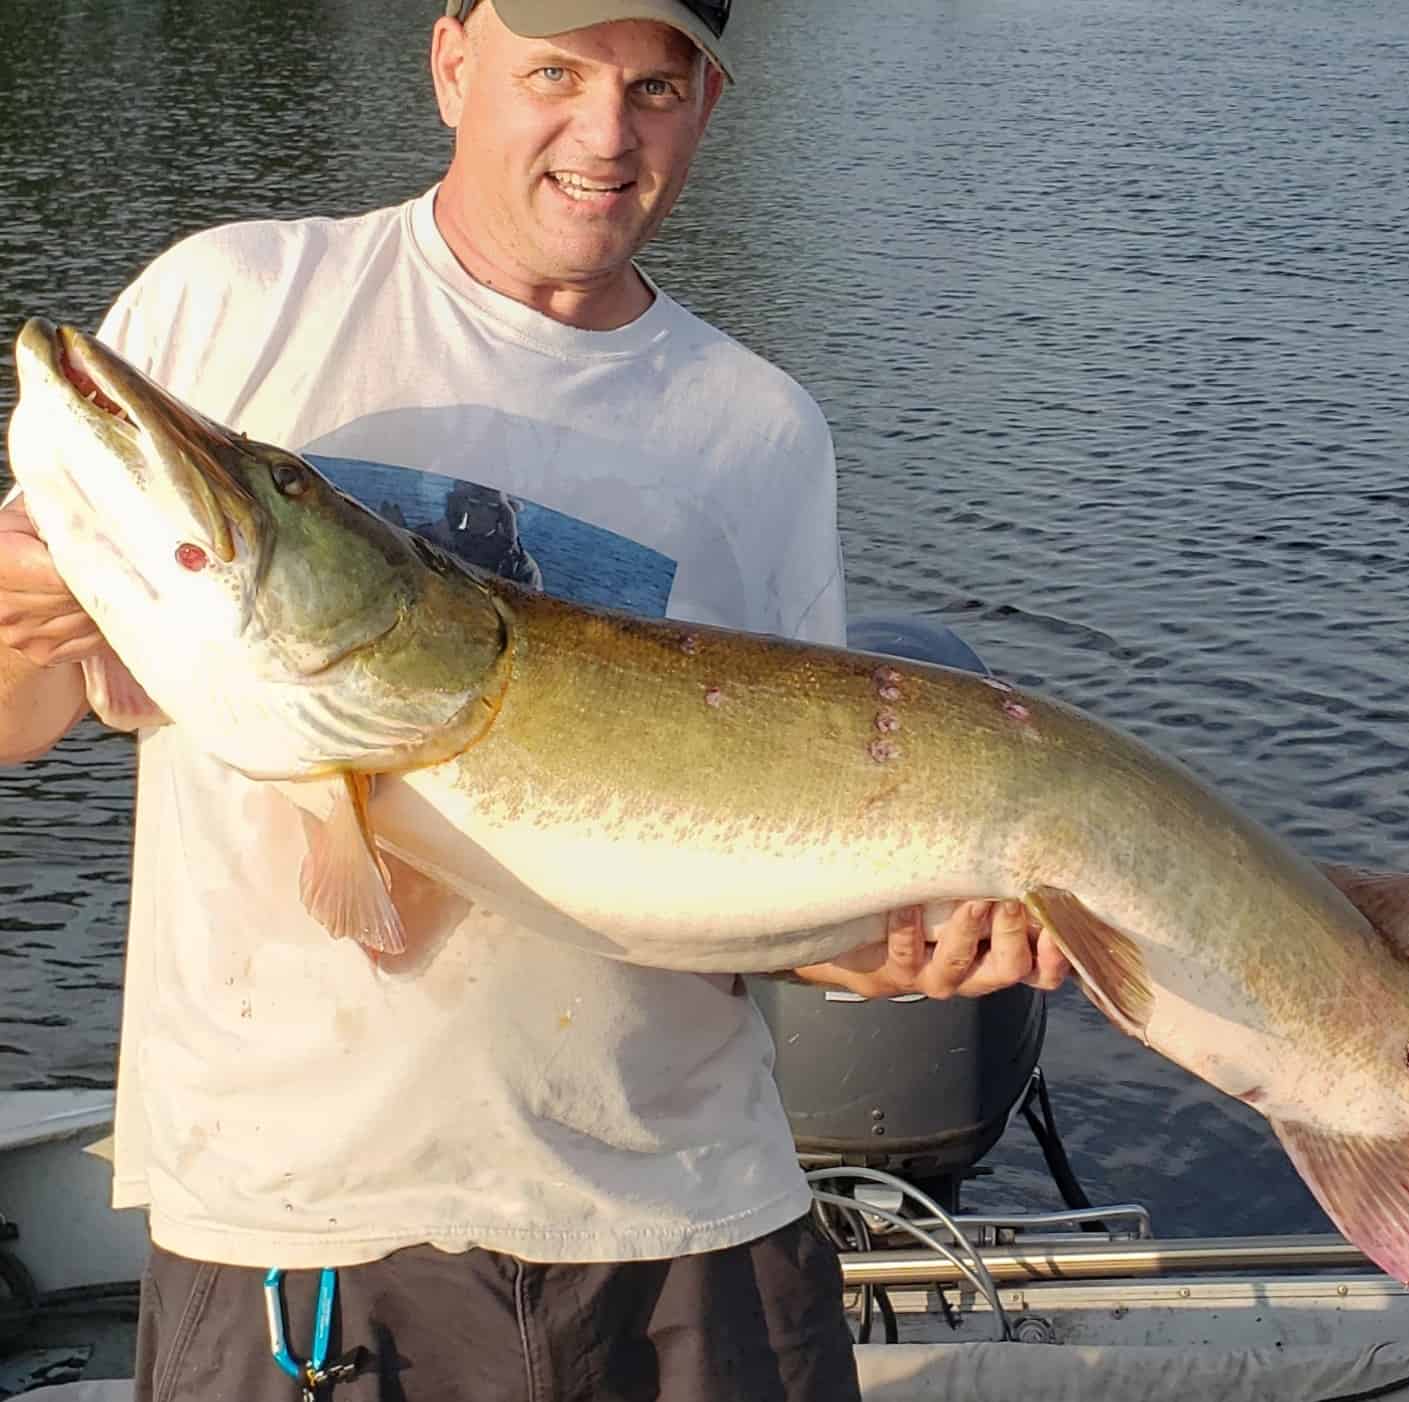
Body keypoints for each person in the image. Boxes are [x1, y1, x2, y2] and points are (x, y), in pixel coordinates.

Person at [0, 2, 1069, 1398]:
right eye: (552, 70)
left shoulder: (757, 432)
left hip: (687, 1229)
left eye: (653, 87)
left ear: (707, 101)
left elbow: (768, 895)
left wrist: (885, 950)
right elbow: (16, 715)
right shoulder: (229, 305)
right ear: (453, 62)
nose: (603, 134)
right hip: (303, 1229)